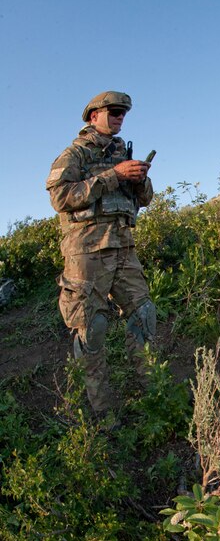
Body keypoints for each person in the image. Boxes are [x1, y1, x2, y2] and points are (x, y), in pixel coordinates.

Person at [46, 91, 155, 417]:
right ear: (93, 115)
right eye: (114, 111)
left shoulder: (123, 153)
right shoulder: (75, 154)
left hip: (123, 247)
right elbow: (61, 197)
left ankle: (154, 397)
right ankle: (104, 415)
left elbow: (145, 199)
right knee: (90, 329)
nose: (120, 117)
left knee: (143, 315)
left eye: (123, 112)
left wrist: (139, 180)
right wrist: (114, 176)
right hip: (87, 254)